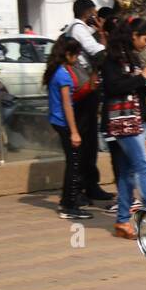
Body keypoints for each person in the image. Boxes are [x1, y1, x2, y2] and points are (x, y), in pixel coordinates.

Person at [101, 19, 146, 238]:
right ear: (132, 35)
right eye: (145, 39)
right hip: (122, 122)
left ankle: (122, 221)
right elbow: (113, 88)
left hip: (134, 120)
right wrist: (141, 78)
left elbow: (131, 89)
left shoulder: (130, 57)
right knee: (143, 166)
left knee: (127, 172)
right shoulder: (111, 60)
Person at [65, 0, 115, 210]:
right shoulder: (78, 28)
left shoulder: (87, 31)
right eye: (94, 14)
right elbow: (98, 52)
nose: (96, 17)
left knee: (91, 141)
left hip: (90, 87)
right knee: (83, 141)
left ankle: (91, 184)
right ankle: (79, 188)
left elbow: (100, 47)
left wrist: (102, 31)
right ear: (88, 13)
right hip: (83, 88)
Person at [44, 36, 91, 219]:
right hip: (63, 122)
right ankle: (68, 205)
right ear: (68, 54)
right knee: (74, 163)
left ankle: (67, 201)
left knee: (73, 162)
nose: (77, 59)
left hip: (57, 120)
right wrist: (74, 132)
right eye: (76, 55)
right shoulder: (63, 74)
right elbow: (67, 105)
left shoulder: (56, 70)